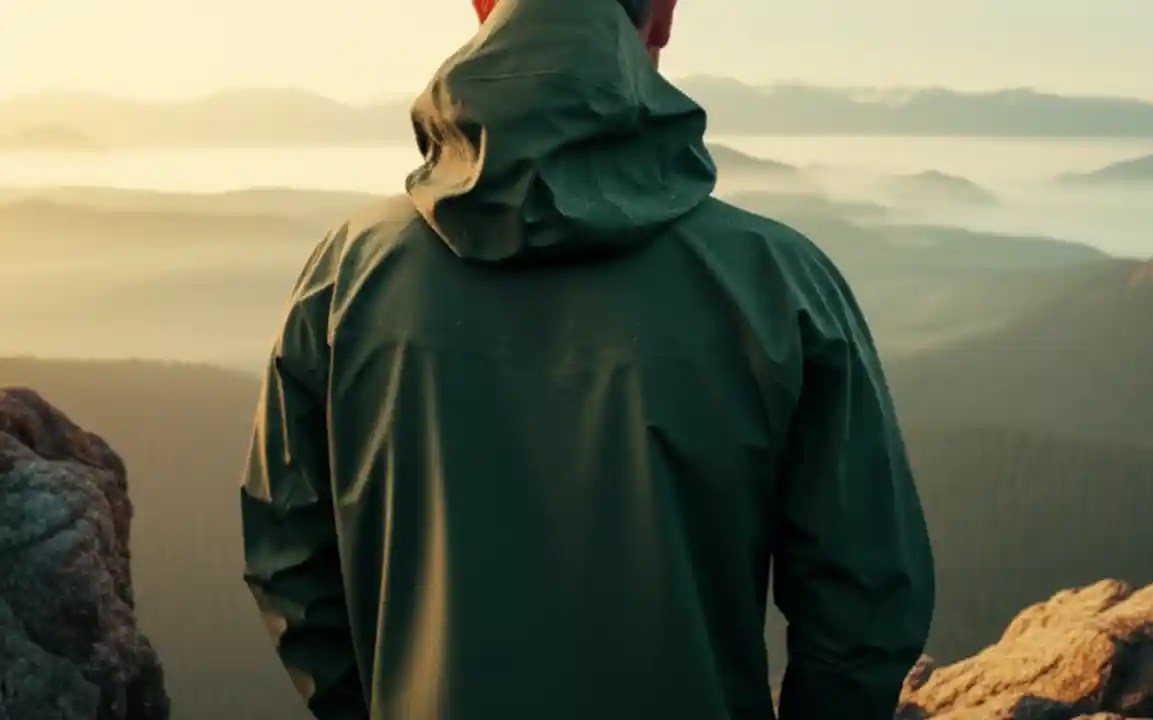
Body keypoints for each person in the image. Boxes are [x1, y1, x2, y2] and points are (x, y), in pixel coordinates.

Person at [239, 0, 934, 718]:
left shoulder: (346, 276)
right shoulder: (781, 287)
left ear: (483, 8)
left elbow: (290, 561)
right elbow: (865, 597)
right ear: (661, 16)